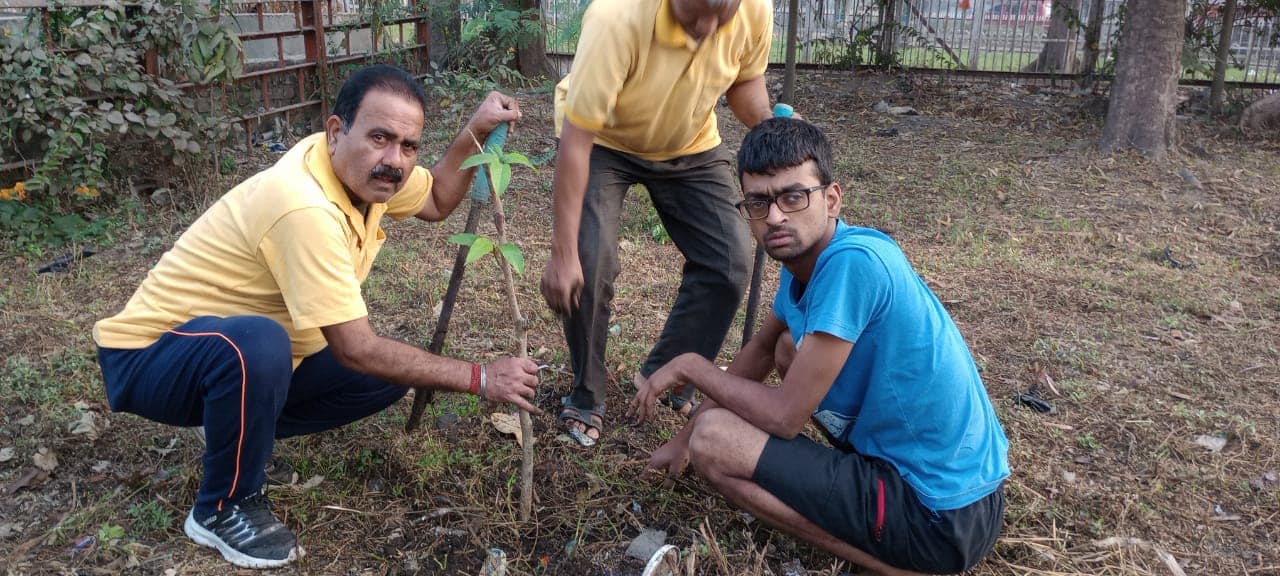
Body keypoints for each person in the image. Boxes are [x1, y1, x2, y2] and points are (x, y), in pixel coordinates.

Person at [92, 65, 541, 569]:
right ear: (335, 132)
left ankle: (239, 435)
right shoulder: (302, 204)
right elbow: (356, 346)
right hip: (149, 356)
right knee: (266, 344)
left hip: (222, 355)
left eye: (408, 146)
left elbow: (437, 198)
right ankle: (222, 507)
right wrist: (481, 377)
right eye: (379, 137)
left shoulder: (364, 177)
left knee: (384, 378)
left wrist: (473, 131)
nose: (394, 161)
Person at [629, 118, 1010, 575]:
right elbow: (765, 349)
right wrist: (681, 440)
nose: (774, 217)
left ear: (831, 199)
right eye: (758, 202)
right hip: (943, 494)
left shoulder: (853, 264)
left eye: (793, 197)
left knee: (716, 441)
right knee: (789, 346)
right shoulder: (806, 264)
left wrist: (692, 366)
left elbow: (785, 419)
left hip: (938, 515)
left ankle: (899, 569)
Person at [539, 0, 778, 445]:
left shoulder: (755, 9)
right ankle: (587, 394)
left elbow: (745, 82)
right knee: (588, 262)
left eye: (720, 16)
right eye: (695, 14)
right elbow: (576, 142)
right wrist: (562, 251)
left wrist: (769, 124)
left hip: (690, 141)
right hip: (602, 141)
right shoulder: (617, 18)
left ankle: (668, 375)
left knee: (729, 262)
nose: (706, 30)